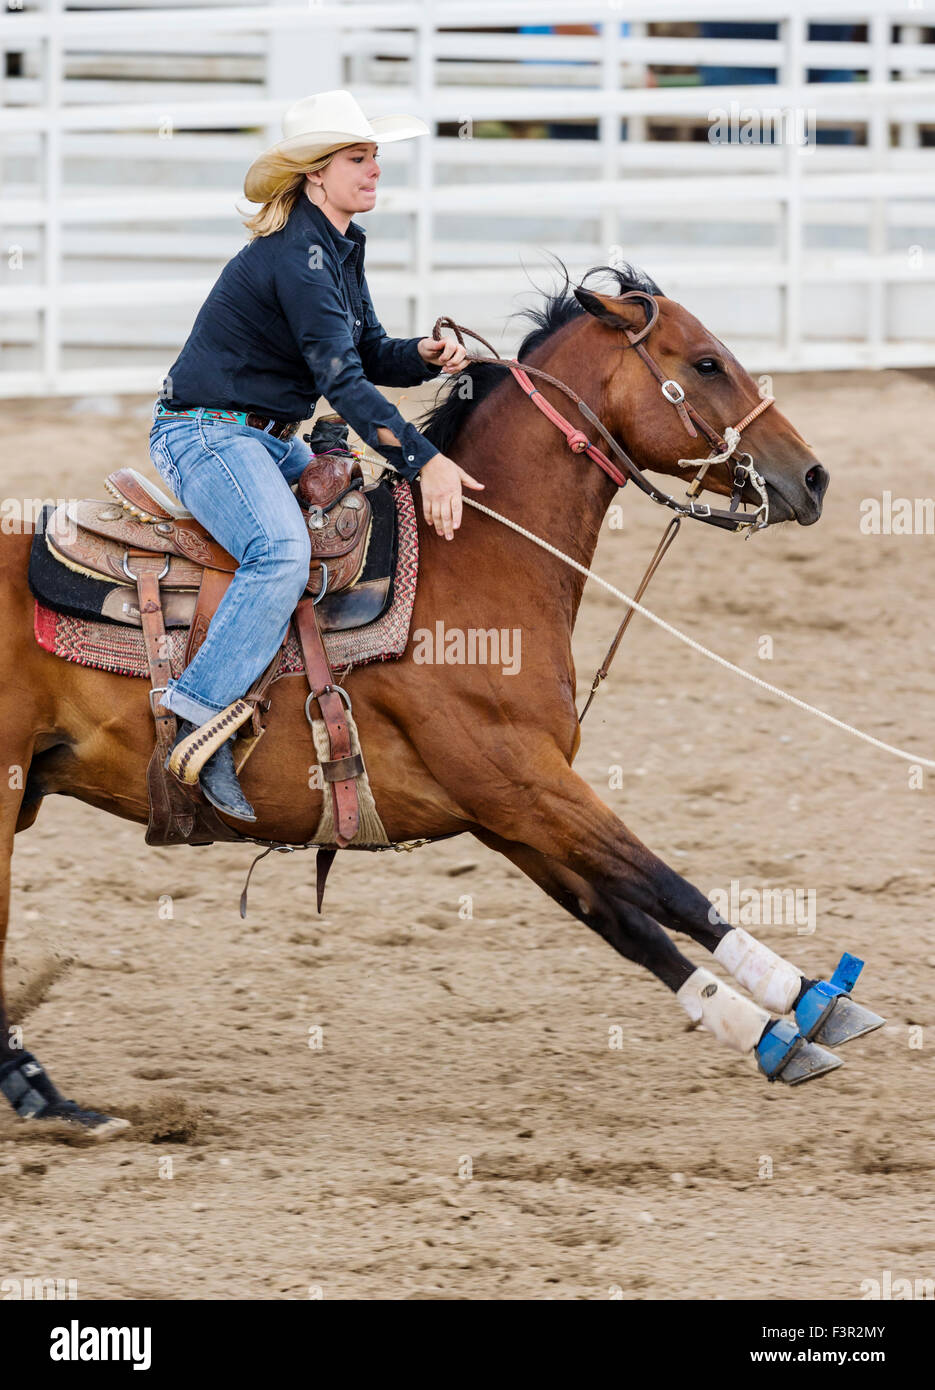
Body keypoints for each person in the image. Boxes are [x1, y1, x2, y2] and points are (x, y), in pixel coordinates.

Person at [149, 89, 482, 821]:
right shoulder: (300, 258)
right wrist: (425, 459)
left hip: (262, 439)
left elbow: (363, 352)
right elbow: (341, 380)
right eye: (357, 159)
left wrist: (424, 356)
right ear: (314, 174)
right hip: (206, 433)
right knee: (278, 552)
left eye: (374, 158)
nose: (373, 171)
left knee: (363, 520)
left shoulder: (332, 247)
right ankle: (192, 716)